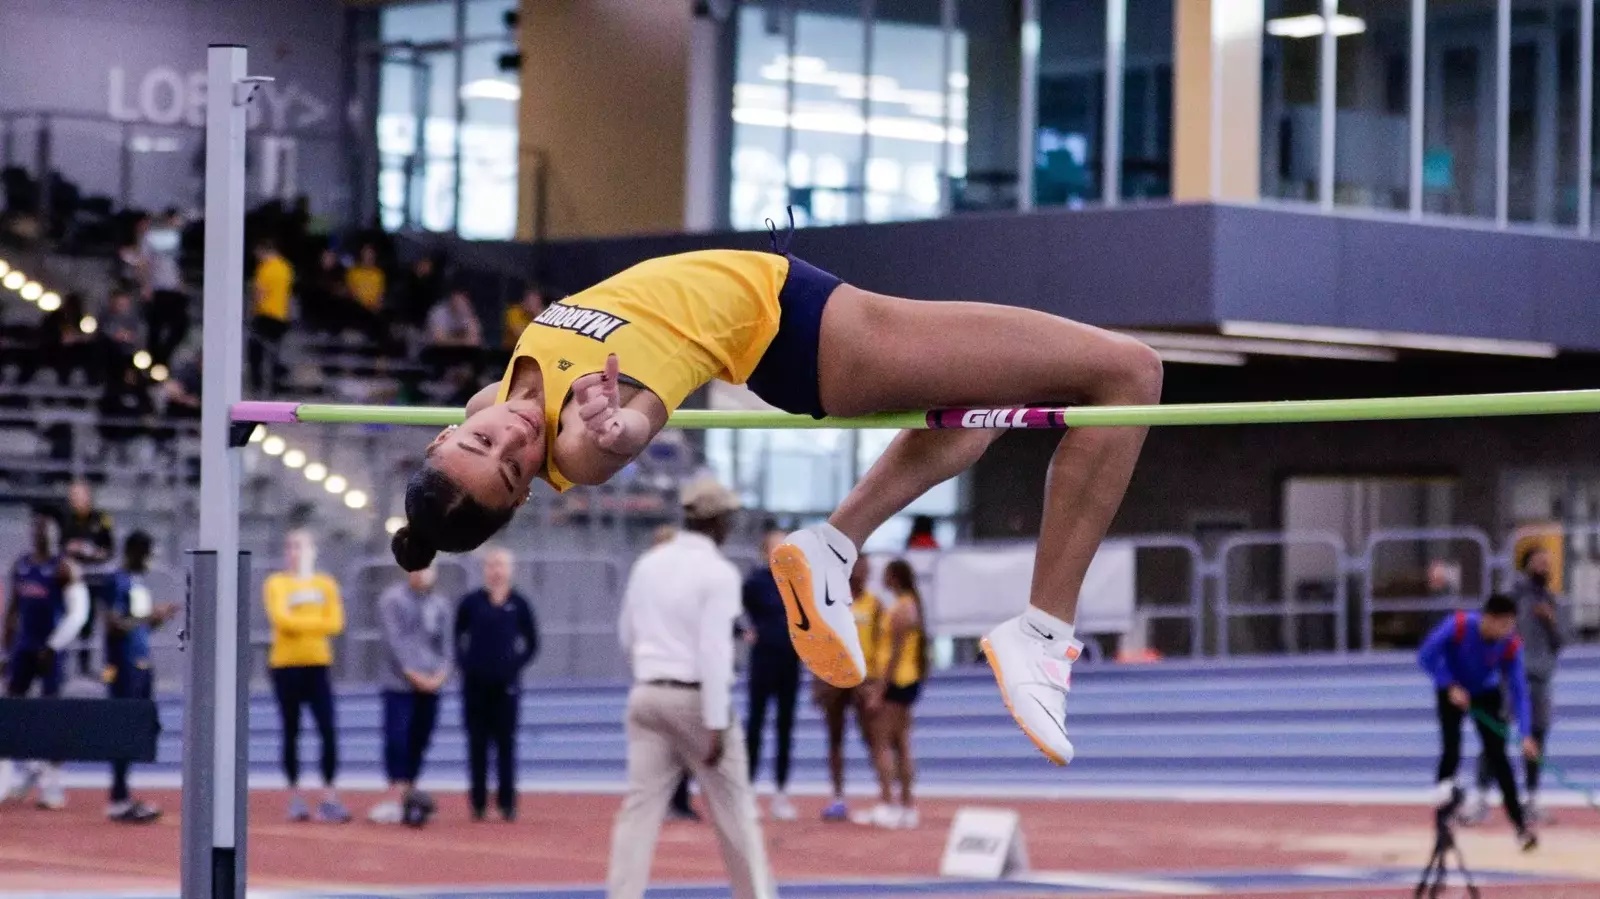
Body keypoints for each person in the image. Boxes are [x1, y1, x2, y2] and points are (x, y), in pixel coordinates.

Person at [388, 239, 1162, 766]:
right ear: (528, 491)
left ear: (443, 434)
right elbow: (618, 439)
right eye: (514, 467)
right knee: (1128, 372)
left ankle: (834, 543)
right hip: (812, 332)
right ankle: (1042, 631)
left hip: (796, 305)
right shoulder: (579, 446)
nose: (514, 438)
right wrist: (618, 427)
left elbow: (488, 432)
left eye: (483, 441)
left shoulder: (496, 391)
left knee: (974, 412)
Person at [608, 477, 775, 899]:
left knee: (639, 813)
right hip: (695, 697)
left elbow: (627, 633)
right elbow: (715, 650)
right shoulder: (718, 573)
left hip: (647, 693)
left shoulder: (650, 562)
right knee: (737, 813)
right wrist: (716, 720)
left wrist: (648, 673)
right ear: (719, 522)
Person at [1418, 595, 1540, 851]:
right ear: (1490, 619)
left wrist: (1526, 733)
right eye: (1505, 625)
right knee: (1451, 751)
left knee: (1499, 757)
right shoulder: (1459, 625)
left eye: (1512, 625)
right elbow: (1425, 656)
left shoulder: (1510, 645)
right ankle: (1442, 827)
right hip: (1451, 689)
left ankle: (1521, 827)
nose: (1509, 631)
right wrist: (1448, 684)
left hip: (1485, 694)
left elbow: (1519, 690)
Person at [1466, 547, 1572, 826]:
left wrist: (1550, 621)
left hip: (1540, 679)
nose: (1545, 568)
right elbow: (1488, 628)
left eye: (1548, 564)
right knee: (1494, 737)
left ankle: (1532, 798)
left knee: (1536, 739)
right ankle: (1479, 797)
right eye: (1539, 563)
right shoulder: (1511, 596)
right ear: (1526, 565)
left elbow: (1563, 642)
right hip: (1509, 678)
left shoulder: (1555, 601)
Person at [0, 509, 89, 810]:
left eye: (47, 530)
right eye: (37, 529)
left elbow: (78, 613)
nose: (41, 535)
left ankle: (51, 783)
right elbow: (12, 610)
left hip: (51, 649)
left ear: (55, 535)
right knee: (12, 709)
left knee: (51, 714)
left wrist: (53, 645)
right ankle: (10, 774)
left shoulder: (64, 568)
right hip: (23, 648)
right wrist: (5, 651)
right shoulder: (22, 566)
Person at [262, 530, 351, 823]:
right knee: (291, 730)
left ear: (312, 551)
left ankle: (328, 795)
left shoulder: (325, 584)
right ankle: (295, 796)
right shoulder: (276, 583)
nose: (294, 552)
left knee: (328, 728)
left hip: (318, 665)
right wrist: (316, 622)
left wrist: (301, 622)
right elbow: (281, 619)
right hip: (285, 666)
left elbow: (336, 623)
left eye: (300, 546)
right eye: (289, 546)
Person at [455, 546, 538, 821]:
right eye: (491, 565)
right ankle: (477, 803)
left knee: (506, 745)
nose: (496, 570)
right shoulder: (471, 602)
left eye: (501, 565)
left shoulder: (520, 603)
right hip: (475, 687)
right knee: (477, 745)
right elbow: (457, 637)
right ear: (484, 570)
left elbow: (532, 642)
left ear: (510, 569)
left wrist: (514, 664)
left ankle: (507, 803)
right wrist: (467, 665)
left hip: (507, 687)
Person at [370, 564, 452, 825]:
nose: (422, 573)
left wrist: (440, 674)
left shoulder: (441, 604)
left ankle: (410, 791)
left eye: (428, 568)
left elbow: (447, 644)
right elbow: (393, 642)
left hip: (432, 683)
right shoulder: (392, 600)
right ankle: (396, 792)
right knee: (397, 738)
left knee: (421, 736)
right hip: (399, 684)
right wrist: (413, 674)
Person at [103, 531, 176, 824]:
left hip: (141, 662)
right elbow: (115, 625)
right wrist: (150, 616)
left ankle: (123, 794)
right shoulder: (117, 581)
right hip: (124, 665)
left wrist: (156, 620)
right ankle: (118, 797)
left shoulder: (137, 583)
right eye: (148, 554)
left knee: (141, 728)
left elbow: (137, 628)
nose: (151, 561)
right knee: (124, 726)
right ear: (136, 552)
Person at [814, 554, 887, 822]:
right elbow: (820, 640)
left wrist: (878, 683)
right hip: (834, 677)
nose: (864, 572)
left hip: (864, 679)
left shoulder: (875, 605)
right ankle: (838, 797)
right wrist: (817, 680)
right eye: (860, 566)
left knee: (873, 739)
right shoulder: (831, 602)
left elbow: (883, 643)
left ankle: (885, 796)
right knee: (835, 738)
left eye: (867, 567)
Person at [860, 559, 928, 829]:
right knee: (901, 744)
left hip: (896, 681)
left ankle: (888, 802)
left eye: (887, 576)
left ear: (896, 578)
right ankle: (907, 805)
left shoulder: (902, 609)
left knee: (883, 744)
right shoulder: (910, 604)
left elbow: (895, 653)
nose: (882, 580)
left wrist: (879, 690)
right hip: (906, 680)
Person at [741, 528, 800, 820]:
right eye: (776, 548)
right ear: (765, 552)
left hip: (790, 660)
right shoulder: (754, 582)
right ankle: (748, 791)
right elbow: (736, 611)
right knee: (755, 726)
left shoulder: (797, 582)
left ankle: (780, 793)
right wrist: (745, 632)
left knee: (786, 727)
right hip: (763, 659)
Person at [61, 480, 115, 679]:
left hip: (98, 578)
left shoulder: (101, 519)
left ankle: (111, 670)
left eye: (80, 496)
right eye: (73, 496)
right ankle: (79, 667)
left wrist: (91, 553)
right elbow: (61, 548)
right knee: (82, 622)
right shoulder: (66, 521)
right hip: (76, 580)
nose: (76, 500)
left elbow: (109, 549)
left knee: (110, 620)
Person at [136, 208, 190, 366]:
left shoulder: (174, 239)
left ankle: (163, 358)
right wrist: (145, 286)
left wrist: (181, 284)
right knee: (156, 328)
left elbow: (175, 265)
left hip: (173, 289)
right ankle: (154, 362)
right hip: (157, 289)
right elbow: (143, 263)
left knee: (180, 326)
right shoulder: (151, 238)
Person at [249, 238, 293, 394]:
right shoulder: (285, 267)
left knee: (255, 349)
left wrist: (253, 311)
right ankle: (275, 382)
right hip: (281, 316)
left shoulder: (265, 268)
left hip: (265, 315)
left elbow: (259, 293)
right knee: (274, 351)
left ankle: (257, 382)